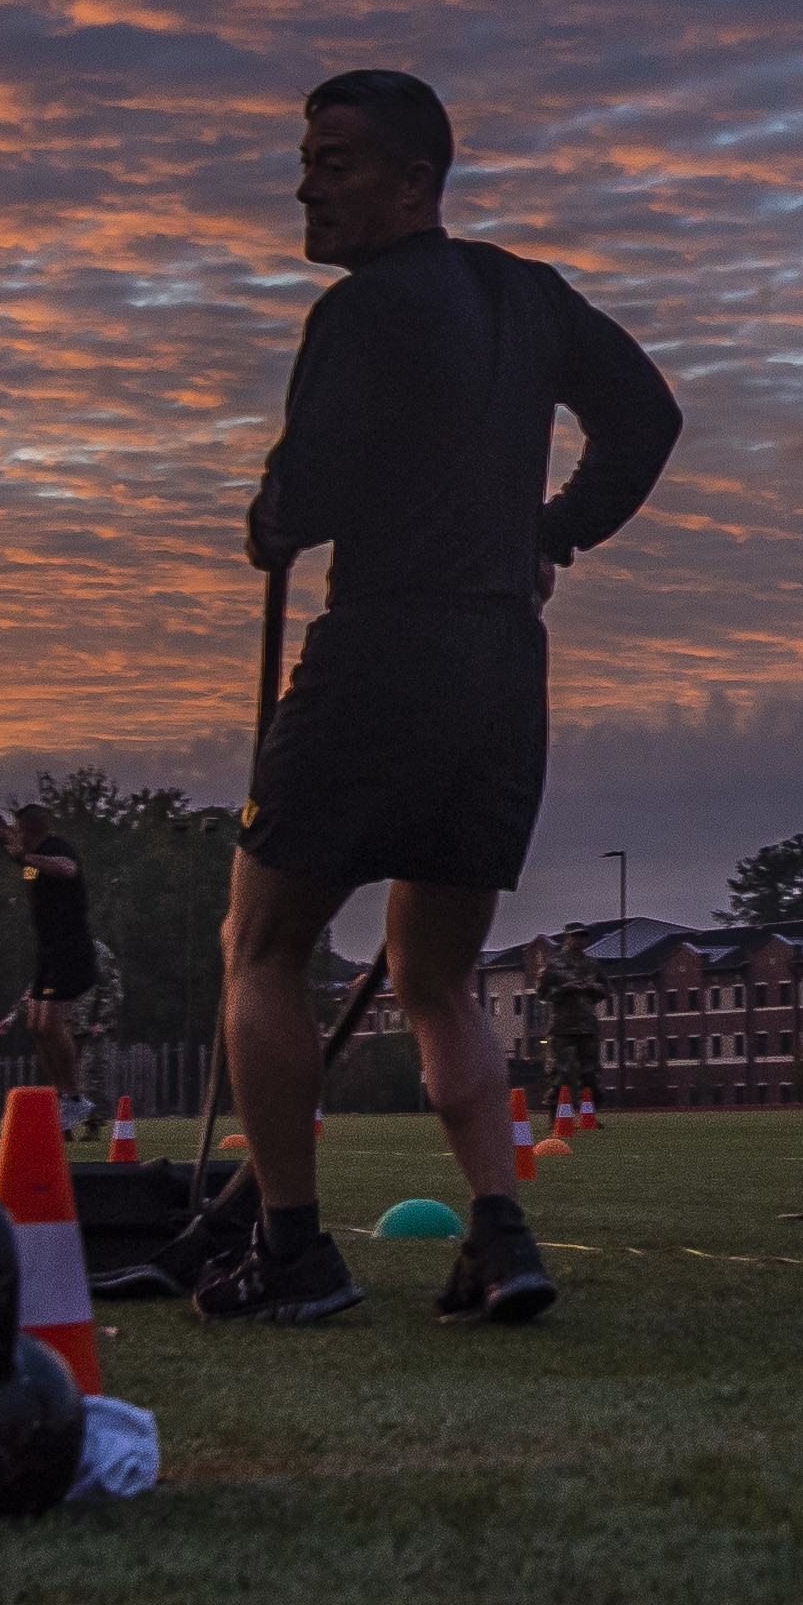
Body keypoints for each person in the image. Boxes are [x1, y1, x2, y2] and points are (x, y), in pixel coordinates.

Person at [203, 70, 681, 1325]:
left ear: (414, 180)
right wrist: (553, 532)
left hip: (381, 650)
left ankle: (294, 1248)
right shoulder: (526, 291)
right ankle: (500, 1234)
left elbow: (308, 496)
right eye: (304, 155)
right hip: (499, 669)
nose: (310, 180)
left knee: (260, 942)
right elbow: (645, 414)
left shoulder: (357, 312)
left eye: (336, 159)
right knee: (439, 972)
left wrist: (268, 516)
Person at [0, 803, 103, 1124]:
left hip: (69, 948)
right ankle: (62, 1094)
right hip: (48, 950)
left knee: (49, 1023)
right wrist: (11, 853)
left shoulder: (57, 848)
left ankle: (76, 1097)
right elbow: (32, 874)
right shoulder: (32, 863)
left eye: (18, 829)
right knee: (35, 1024)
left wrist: (22, 855)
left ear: (30, 830)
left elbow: (66, 869)